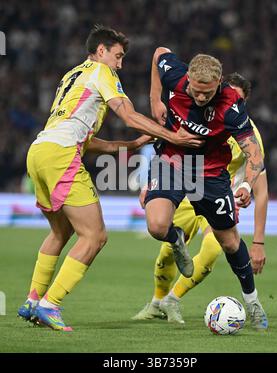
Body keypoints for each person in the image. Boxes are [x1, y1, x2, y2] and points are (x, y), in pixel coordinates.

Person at [17, 25, 203, 332]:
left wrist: (128, 147)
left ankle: (33, 299)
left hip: (39, 152)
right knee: (95, 236)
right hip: (62, 156)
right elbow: (129, 117)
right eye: (117, 56)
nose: (120, 64)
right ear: (101, 51)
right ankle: (50, 306)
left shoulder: (72, 76)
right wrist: (174, 137)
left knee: (61, 232)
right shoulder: (103, 73)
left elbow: (84, 138)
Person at [141, 47, 268, 329]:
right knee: (156, 226)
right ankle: (176, 240)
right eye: (196, 91)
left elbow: (255, 155)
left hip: (210, 174)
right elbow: (159, 52)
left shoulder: (232, 106)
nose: (200, 97)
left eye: (207, 93)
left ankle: (253, 301)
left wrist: (247, 183)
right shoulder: (173, 75)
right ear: (188, 78)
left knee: (230, 242)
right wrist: (154, 99)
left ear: (219, 82)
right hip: (170, 161)